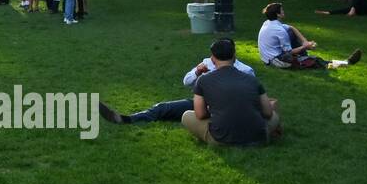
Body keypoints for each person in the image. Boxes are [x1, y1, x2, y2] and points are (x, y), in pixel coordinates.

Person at [99, 47, 259, 126]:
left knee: (188, 116)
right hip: (203, 104)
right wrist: (197, 71)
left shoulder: (245, 72)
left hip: (221, 111)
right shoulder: (207, 66)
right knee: (163, 108)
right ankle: (128, 119)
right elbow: (187, 81)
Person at [182, 39, 282, 146]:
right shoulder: (251, 78)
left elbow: (200, 114)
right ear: (234, 56)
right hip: (258, 138)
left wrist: (214, 113)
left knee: (186, 115)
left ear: (213, 58)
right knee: (274, 114)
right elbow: (268, 112)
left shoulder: (203, 80)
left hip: (220, 138)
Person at [258, 2, 360, 70]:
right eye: (282, 10)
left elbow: (291, 28)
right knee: (315, 61)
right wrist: (305, 47)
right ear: (278, 14)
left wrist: (305, 41)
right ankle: (346, 63)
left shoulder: (268, 23)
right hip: (275, 60)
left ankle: (304, 57)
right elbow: (288, 52)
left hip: (267, 57)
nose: (284, 12)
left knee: (291, 32)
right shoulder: (279, 30)